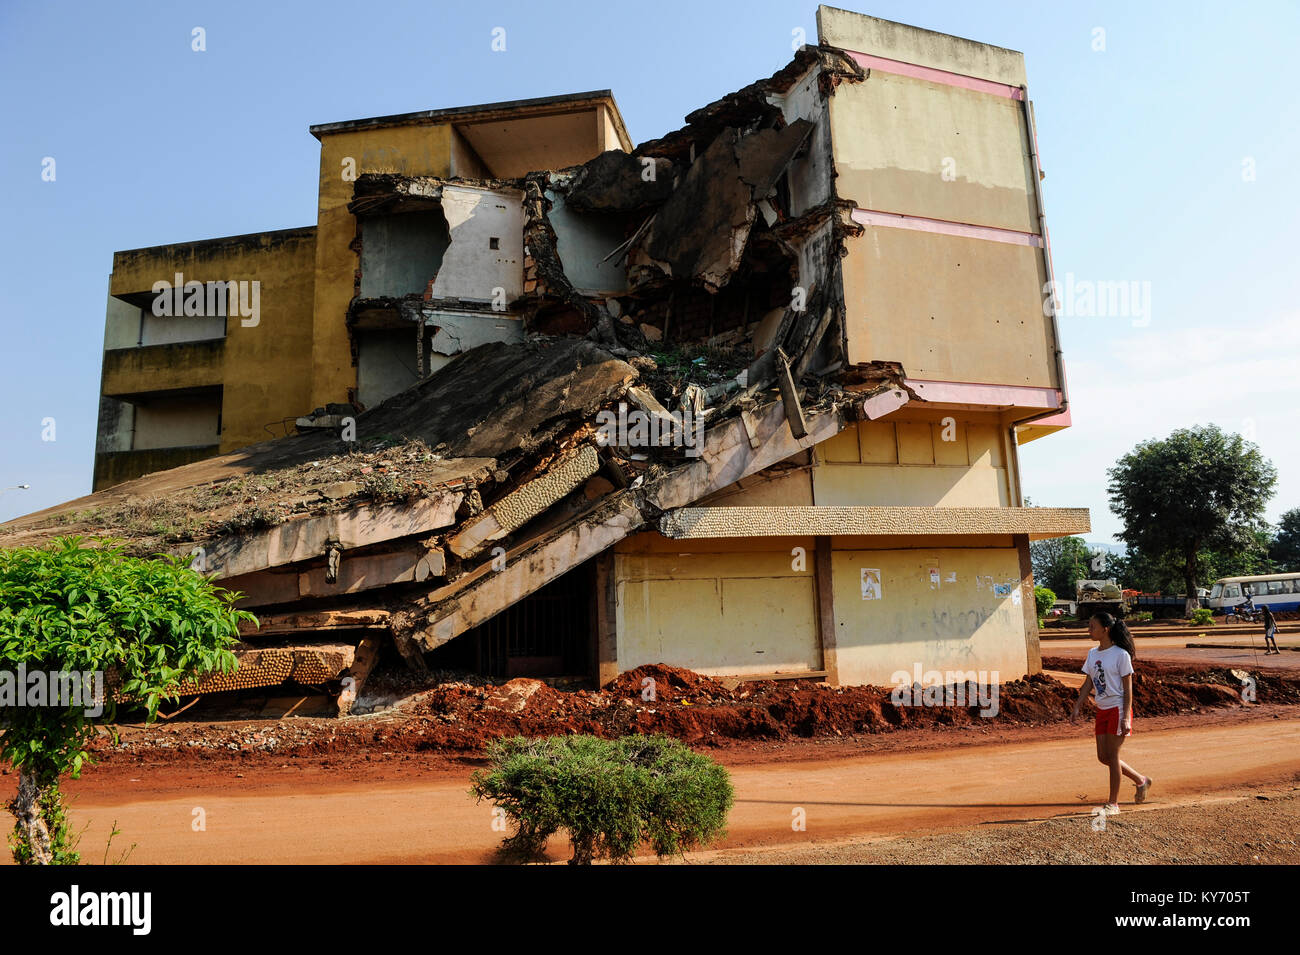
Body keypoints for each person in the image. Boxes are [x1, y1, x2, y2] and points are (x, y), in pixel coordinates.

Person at [1070, 612, 1151, 816]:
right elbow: (1088, 682)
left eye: (1092, 626)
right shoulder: (1092, 653)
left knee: (1113, 756)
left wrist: (1125, 716)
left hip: (1118, 708)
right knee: (1103, 757)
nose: (1089, 630)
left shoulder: (1120, 655)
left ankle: (1113, 804)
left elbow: (1128, 688)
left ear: (1105, 629)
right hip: (1102, 709)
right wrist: (1078, 705)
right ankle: (1141, 780)